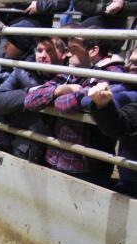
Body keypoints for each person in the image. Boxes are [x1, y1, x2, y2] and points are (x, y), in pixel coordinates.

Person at [24, 32, 124, 186]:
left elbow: (68, 104)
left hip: (88, 167)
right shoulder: (71, 74)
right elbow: (30, 100)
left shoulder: (112, 73)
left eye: (74, 48)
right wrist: (59, 90)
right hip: (57, 158)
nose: (68, 53)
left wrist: (58, 97)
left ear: (93, 50)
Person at [0, 37, 61, 163]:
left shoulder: (69, 77)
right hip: (28, 149)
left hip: (58, 153)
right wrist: (32, 93)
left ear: (63, 53)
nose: (43, 56)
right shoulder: (23, 72)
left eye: (49, 50)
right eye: (39, 51)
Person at [88, 48, 137, 197]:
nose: (131, 66)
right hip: (130, 182)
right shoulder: (127, 90)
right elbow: (119, 125)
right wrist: (103, 105)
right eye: (132, 62)